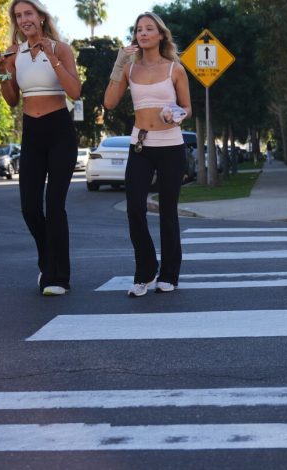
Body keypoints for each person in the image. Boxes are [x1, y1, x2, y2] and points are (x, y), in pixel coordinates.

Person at [0, 0, 81, 296]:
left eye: (28, 13)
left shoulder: (61, 49)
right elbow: (12, 100)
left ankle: (59, 277)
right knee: (30, 207)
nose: (23, 20)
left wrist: (50, 56)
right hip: (31, 133)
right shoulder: (14, 54)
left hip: (60, 131)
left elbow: (75, 91)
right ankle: (47, 259)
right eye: (18, 16)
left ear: (41, 17)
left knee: (55, 206)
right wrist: (2, 73)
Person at [103, 12, 191, 298]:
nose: (142, 33)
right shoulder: (130, 68)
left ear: (161, 35)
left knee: (167, 212)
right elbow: (109, 102)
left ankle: (169, 275)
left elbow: (187, 109)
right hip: (140, 145)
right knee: (134, 210)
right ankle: (145, 270)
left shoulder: (174, 69)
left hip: (171, 147)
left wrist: (175, 114)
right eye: (138, 29)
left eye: (148, 28)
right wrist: (119, 63)